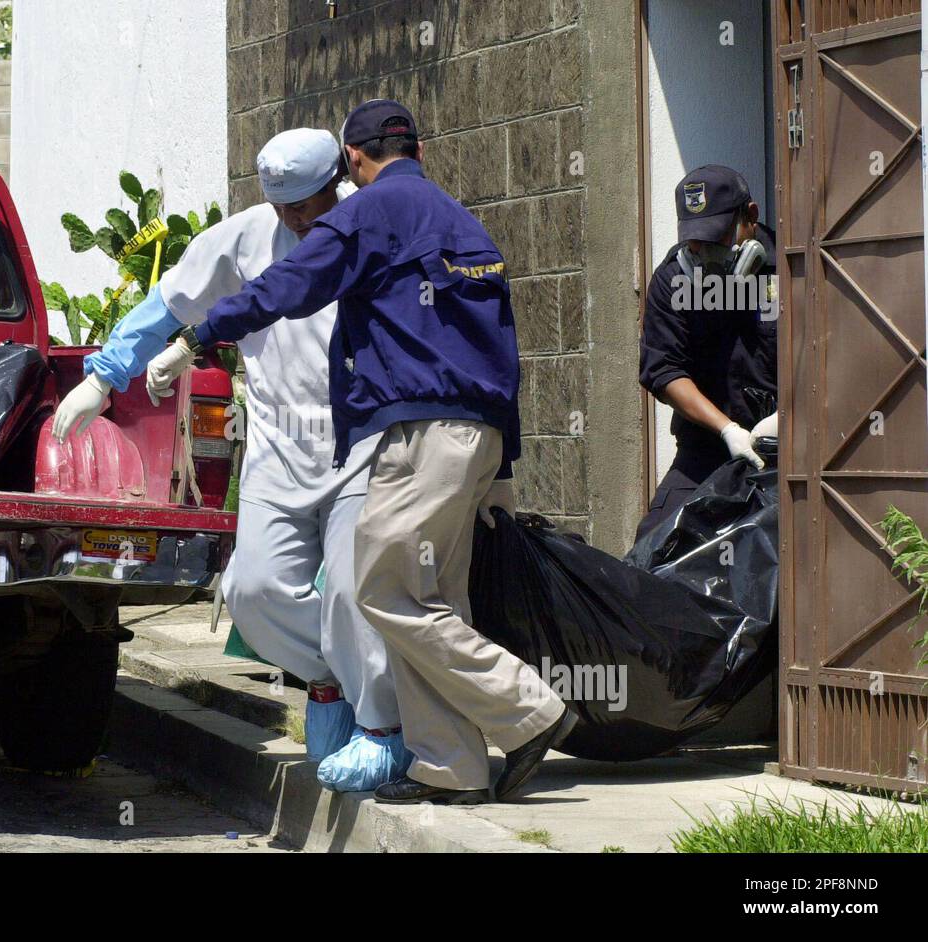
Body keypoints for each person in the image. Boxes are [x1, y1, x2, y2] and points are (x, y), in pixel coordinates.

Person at [146, 100, 574, 805]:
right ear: (421, 147)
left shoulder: (372, 210)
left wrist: (197, 337)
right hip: (476, 435)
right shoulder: (463, 222)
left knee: (383, 590)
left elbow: (287, 285)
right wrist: (504, 466)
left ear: (351, 161)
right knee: (434, 599)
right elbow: (503, 350)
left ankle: (527, 711)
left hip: (421, 434)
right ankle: (452, 765)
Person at [53, 128, 409, 793]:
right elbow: (166, 306)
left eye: (309, 203)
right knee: (253, 592)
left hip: (362, 438)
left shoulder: (374, 229)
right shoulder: (243, 239)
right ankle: (330, 679)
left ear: (338, 181)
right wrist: (103, 379)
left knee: (355, 593)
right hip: (278, 440)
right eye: (285, 208)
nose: (298, 219)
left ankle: (383, 731)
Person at [637, 165, 779, 541]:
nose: (700, 251)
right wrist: (727, 429)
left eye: (713, 238)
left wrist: (789, 419)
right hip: (707, 448)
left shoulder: (791, 272)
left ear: (750, 218)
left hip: (784, 450)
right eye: (693, 240)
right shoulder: (672, 279)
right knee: (655, 546)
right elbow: (664, 371)